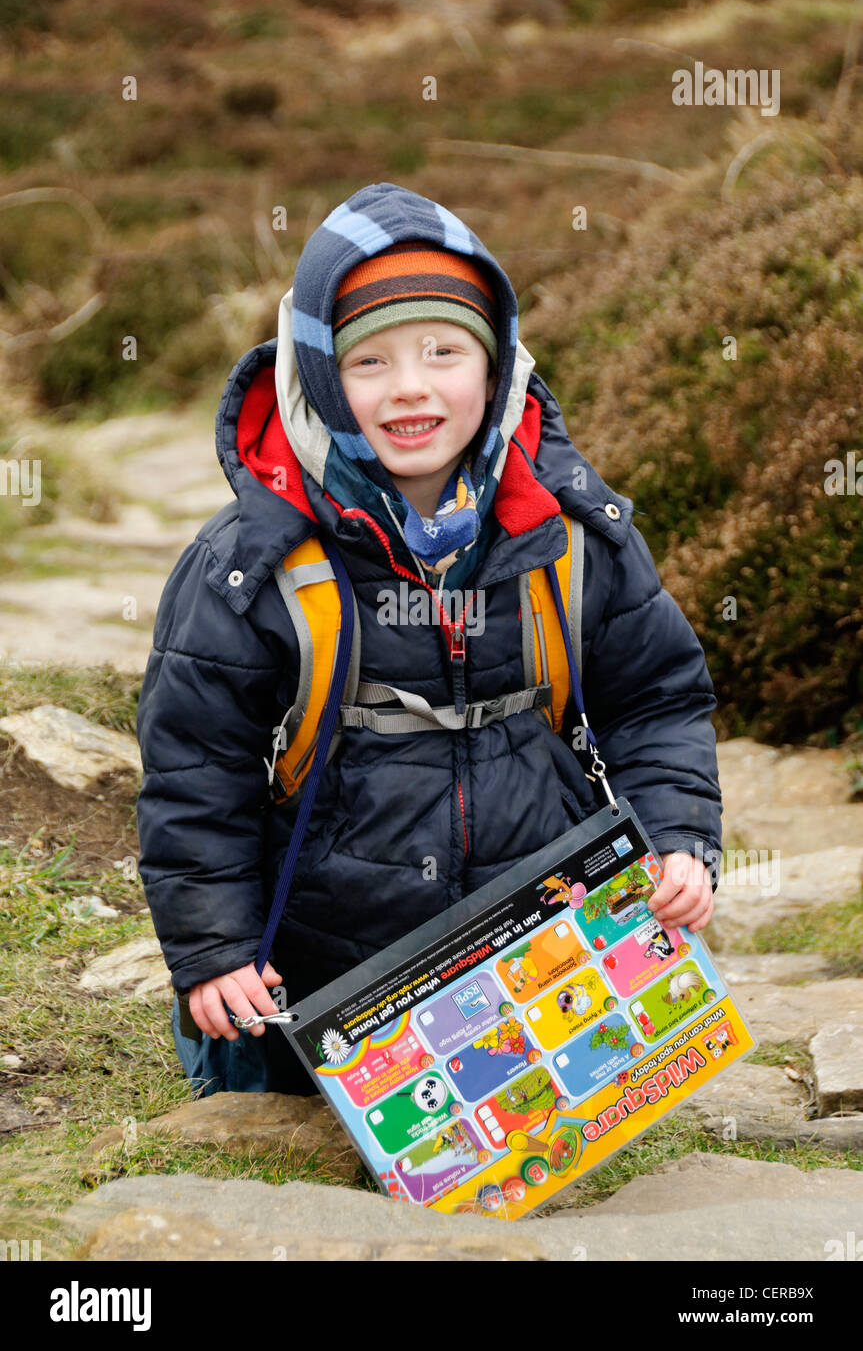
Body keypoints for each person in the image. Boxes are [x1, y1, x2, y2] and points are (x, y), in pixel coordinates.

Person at [136, 182, 722, 1095]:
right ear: (323, 375)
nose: (410, 387)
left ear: (494, 367)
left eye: (445, 351)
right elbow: (193, 771)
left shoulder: (569, 536)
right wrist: (215, 951)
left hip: (539, 966)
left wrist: (678, 837)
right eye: (368, 361)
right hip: (328, 982)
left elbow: (655, 700)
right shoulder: (252, 561)